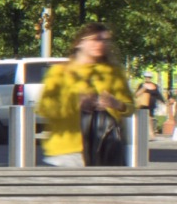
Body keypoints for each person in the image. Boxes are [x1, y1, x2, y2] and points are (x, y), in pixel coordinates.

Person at [38, 25, 137, 165]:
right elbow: (44, 108)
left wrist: (116, 104)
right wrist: (75, 103)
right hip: (67, 150)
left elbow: (131, 107)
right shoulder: (60, 72)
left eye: (105, 40)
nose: (100, 44)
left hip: (103, 149)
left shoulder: (113, 72)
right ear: (80, 42)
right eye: (96, 39)